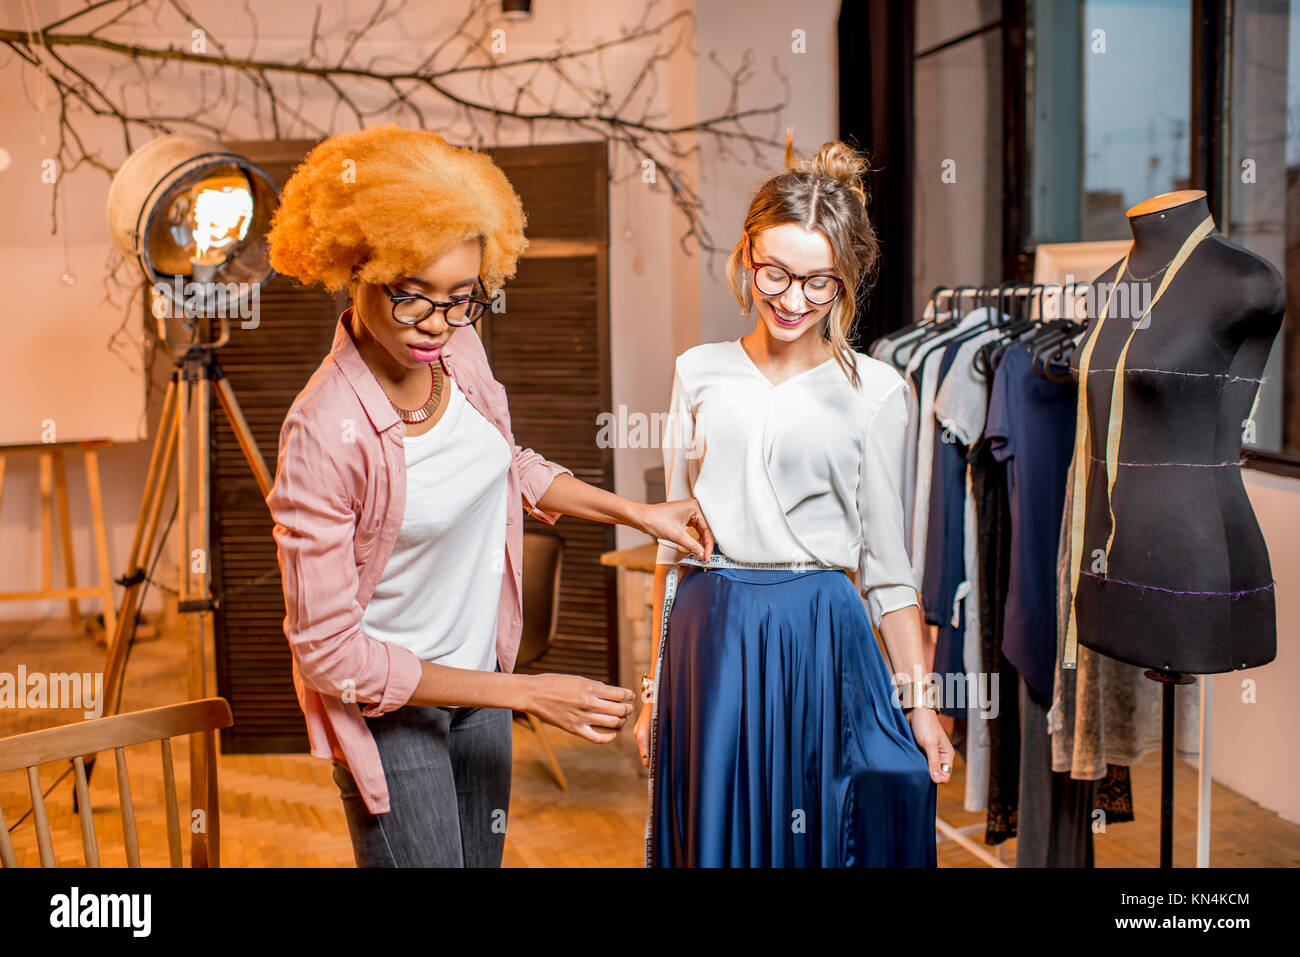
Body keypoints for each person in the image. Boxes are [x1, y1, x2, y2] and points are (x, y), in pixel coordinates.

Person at [263, 123, 713, 867]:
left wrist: (635, 511)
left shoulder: (455, 352)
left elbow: (505, 465)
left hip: (485, 689)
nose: (437, 325)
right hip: (394, 714)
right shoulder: (321, 431)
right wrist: (529, 695)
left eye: (460, 298)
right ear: (357, 271)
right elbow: (329, 656)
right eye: (412, 299)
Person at [635, 134, 954, 867]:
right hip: (709, 633)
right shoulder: (699, 371)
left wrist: (922, 703)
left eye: (820, 282)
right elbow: (671, 541)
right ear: (748, 254)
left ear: (845, 282)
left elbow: (888, 569)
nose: (794, 299)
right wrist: (653, 691)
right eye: (776, 273)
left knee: (847, 813)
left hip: (823, 632)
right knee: (718, 832)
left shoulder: (877, 392)